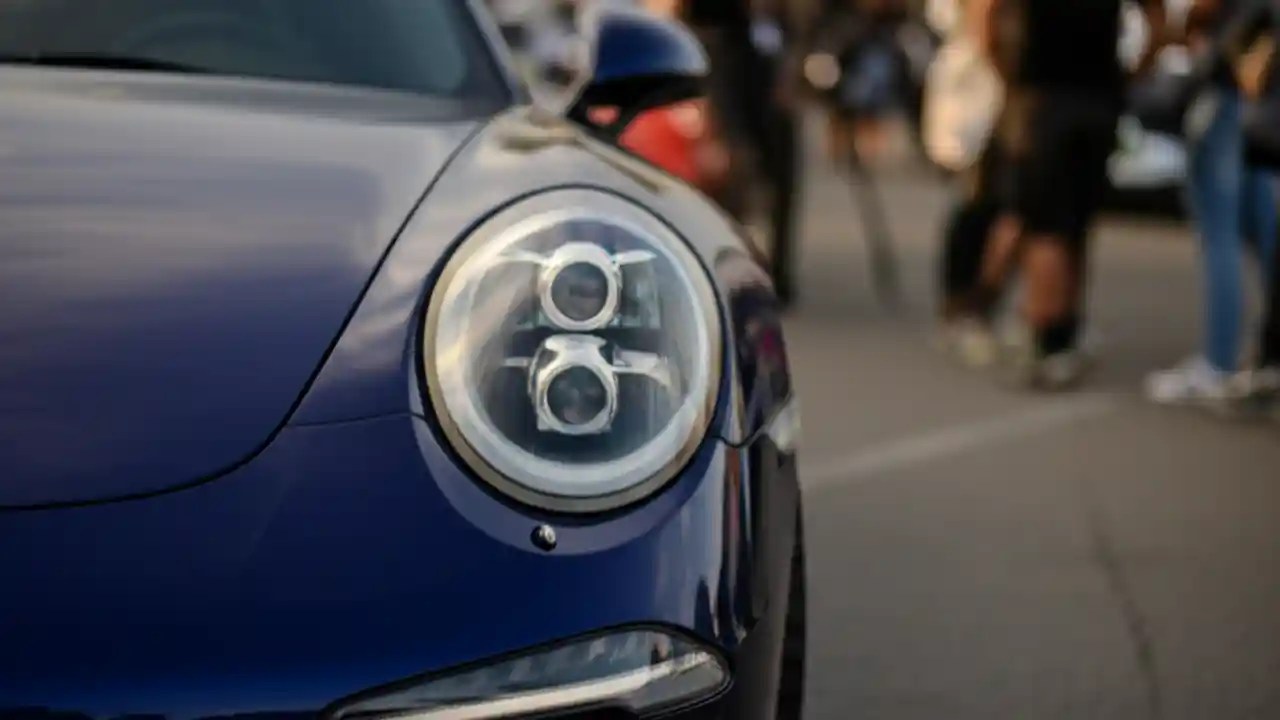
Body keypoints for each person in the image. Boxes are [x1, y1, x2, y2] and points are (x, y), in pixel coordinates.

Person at [971, 0, 1167, 389]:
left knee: (1046, 228)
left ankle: (1047, 335)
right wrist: (1134, 71)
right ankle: (1063, 326)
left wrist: (1007, 72)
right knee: (1075, 223)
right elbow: (1158, 20)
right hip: (1098, 100)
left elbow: (988, 16)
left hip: (1046, 100)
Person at [1146, 0, 1278, 404]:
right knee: (1264, 229)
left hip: (1229, 92)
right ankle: (1268, 358)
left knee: (1221, 234)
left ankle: (1219, 362)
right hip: (1259, 98)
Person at [683, 0, 818, 305]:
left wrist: (792, 69)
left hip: (768, 74)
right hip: (721, 67)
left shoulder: (778, 24)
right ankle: (724, 268)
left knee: (782, 179)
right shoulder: (715, 29)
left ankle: (777, 271)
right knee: (731, 178)